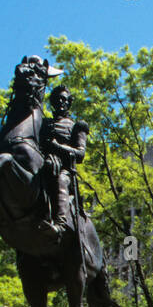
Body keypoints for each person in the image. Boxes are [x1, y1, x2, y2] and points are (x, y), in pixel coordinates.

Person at [38, 85, 89, 240]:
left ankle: (60, 225)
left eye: (64, 99)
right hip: (44, 165)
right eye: (57, 99)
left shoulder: (77, 126)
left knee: (61, 180)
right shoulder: (44, 124)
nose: (61, 102)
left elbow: (80, 154)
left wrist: (57, 147)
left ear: (69, 102)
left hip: (65, 170)